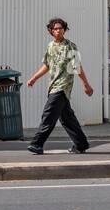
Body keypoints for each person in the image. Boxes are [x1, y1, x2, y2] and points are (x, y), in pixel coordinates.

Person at [25, 17, 94, 154]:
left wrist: (86, 85)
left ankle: (37, 144)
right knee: (67, 119)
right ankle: (81, 144)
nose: (58, 31)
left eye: (61, 28)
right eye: (55, 29)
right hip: (53, 85)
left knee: (48, 114)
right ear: (51, 31)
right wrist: (34, 78)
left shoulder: (70, 46)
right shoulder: (51, 46)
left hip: (62, 87)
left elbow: (77, 67)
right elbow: (47, 65)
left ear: (64, 30)